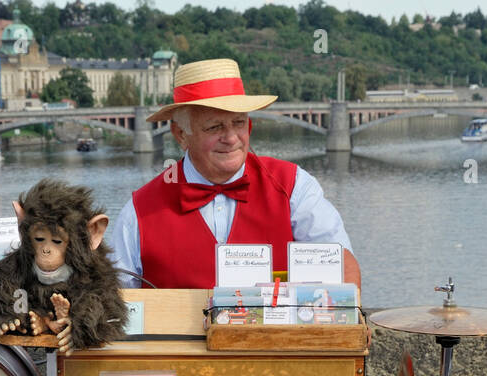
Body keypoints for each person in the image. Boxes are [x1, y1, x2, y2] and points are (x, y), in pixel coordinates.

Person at [109, 58, 359, 290]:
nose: (230, 138)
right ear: (181, 135)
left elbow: (341, 267)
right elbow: (115, 301)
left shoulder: (294, 187)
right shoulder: (138, 211)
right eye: (214, 127)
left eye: (238, 123)